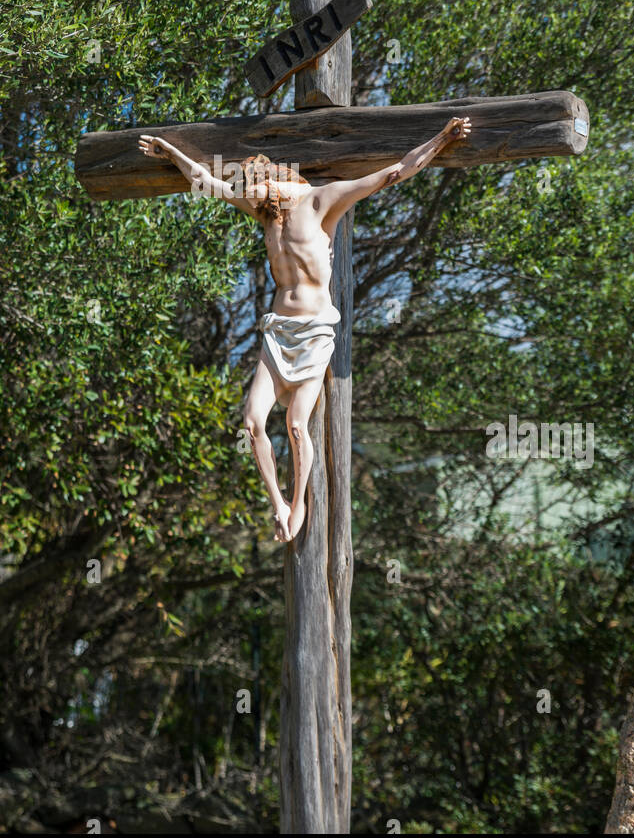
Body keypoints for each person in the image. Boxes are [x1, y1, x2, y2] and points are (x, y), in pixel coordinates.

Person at [139, 115, 472, 542]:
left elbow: (394, 172)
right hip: (278, 332)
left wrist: (443, 137)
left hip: (315, 330)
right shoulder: (263, 212)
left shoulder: (321, 200)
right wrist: (171, 153)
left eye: (251, 185)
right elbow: (205, 180)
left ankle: (298, 506)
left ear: (271, 179)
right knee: (252, 422)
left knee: (297, 426)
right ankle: (277, 504)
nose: (245, 193)